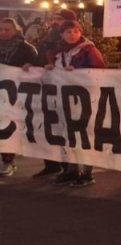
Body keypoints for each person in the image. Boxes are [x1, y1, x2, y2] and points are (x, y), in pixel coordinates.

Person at [46, 20, 105, 188]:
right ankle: (71, 169)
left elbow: (100, 71)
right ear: (61, 34)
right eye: (68, 32)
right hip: (63, 99)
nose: (72, 35)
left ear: (80, 32)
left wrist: (79, 73)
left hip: (83, 99)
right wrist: (49, 69)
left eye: (75, 31)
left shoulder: (89, 50)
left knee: (83, 135)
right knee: (67, 134)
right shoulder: (57, 52)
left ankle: (87, 172)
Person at [0, 18, 39, 177]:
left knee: (8, 128)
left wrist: (29, 66)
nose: (3, 32)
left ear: (16, 30)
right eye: (1, 29)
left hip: (15, 95)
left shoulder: (26, 48)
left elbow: (37, 66)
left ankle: (8, 161)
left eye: (7, 29)